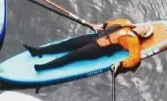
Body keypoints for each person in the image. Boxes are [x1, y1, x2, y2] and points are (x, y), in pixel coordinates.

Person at [23, 18, 154, 73]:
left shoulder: (133, 41)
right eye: (144, 25)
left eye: (145, 29)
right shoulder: (126, 22)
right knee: (66, 44)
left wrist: (121, 64)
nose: (143, 26)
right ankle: (38, 51)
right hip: (94, 37)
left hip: (98, 49)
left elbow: (134, 58)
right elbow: (110, 23)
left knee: (71, 56)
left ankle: (44, 67)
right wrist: (100, 25)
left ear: (143, 35)